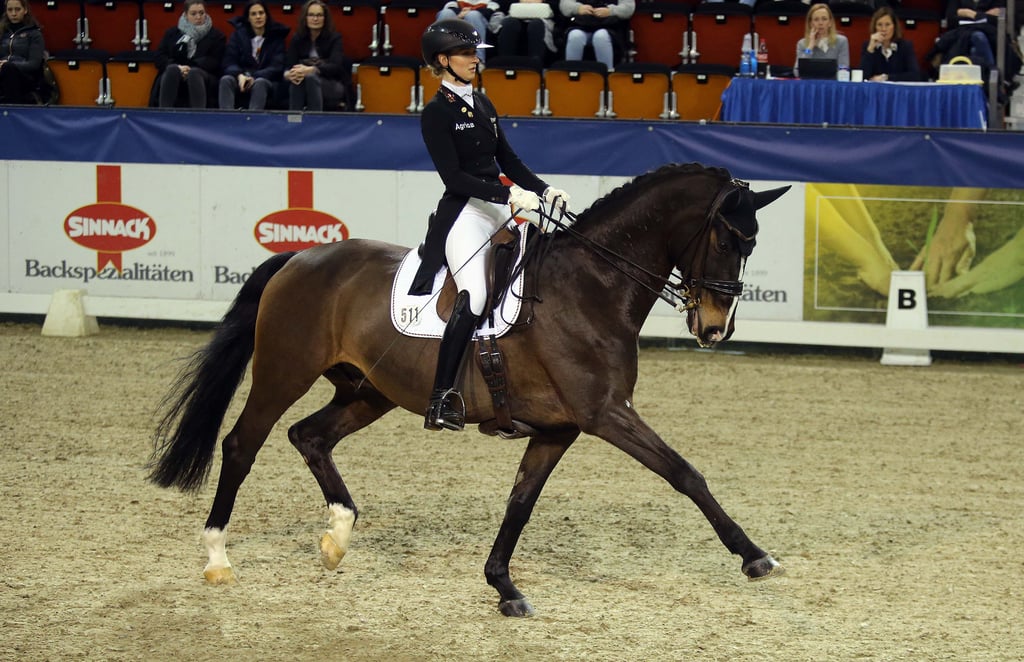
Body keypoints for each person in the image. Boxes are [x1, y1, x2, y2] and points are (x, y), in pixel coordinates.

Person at [413, 18, 570, 432]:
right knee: (477, 295)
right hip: (465, 212)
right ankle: (441, 397)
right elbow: (454, 178)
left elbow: (509, 161)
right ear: (443, 60)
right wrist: (508, 195)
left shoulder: (482, 103)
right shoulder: (436, 113)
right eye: (466, 54)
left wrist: (544, 189)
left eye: (474, 54)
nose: (474, 60)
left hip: (499, 207)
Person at [152, 0, 226, 108]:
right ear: (186, 15)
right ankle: (165, 112)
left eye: (201, 13)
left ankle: (198, 115)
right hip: (176, 72)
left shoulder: (217, 36)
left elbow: (215, 61)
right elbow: (159, 57)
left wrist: (190, 67)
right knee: (172, 69)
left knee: (194, 73)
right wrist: (178, 67)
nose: (198, 17)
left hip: (204, 74)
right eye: (193, 14)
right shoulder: (172, 33)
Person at [218, 0, 289, 110]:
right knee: (226, 79)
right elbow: (229, 61)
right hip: (242, 78)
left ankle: (253, 118)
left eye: (261, 13)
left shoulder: (276, 38)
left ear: (266, 16)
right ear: (248, 18)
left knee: (260, 83)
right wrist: (239, 75)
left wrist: (254, 77)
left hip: (266, 80)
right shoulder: (237, 36)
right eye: (253, 14)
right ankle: (226, 118)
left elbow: (276, 66)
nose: (258, 17)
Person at [283, 0, 347, 111]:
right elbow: (289, 65)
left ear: (325, 18)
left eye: (319, 15)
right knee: (298, 79)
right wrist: (288, 74)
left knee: (310, 77)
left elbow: (336, 67)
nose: (315, 19)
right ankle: (295, 117)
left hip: (330, 84)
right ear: (305, 18)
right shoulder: (297, 38)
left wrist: (313, 70)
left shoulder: (335, 38)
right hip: (301, 82)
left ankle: (311, 118)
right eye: (311, 15)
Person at [560, 0, 635, 71]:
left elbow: (628, 8)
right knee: (575, 36)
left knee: (601, 37)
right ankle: (571, 74)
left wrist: (610, 11)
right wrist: (577, 8)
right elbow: (564, 5)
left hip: (610, 27)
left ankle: (607, 73)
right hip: (580, 24)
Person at [0, 0, 46, 105]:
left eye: (17, 9)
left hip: (26, 77)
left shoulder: (34, 34)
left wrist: (9, 65)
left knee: (8, 68)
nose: (13, 13)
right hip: (2, 72)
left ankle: (12, 109)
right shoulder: (2, 32)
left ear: (25, 10)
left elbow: (34, 64)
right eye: (10, 10)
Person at [860, 6, 921, 82]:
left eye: (887, 24)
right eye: (879, 25)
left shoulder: (905, 46)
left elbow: (915, 76)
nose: (883, 29)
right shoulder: (868, 46)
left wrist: (886, 77)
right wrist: (870, 50)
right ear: (875, 27)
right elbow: (862, 77)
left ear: (894, 27)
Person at [436, 0, 505, 65]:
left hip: (481, 21)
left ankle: (477, 61)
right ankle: (440, 58)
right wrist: (460, 14)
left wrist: (470, 11)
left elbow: (492, 10)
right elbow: (449, 5)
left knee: (473, 15)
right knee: (446, 13)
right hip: (459, 16)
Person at [794, 3, 849, 74]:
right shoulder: (802, 44)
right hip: (810, 81)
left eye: (824, 19)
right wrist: (810, 47)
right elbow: (797, 72)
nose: (820, 23)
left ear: (830, 22)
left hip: (833, 81)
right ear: (811, 23)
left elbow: (844, 71)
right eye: (816, 19)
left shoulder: (841, 41)